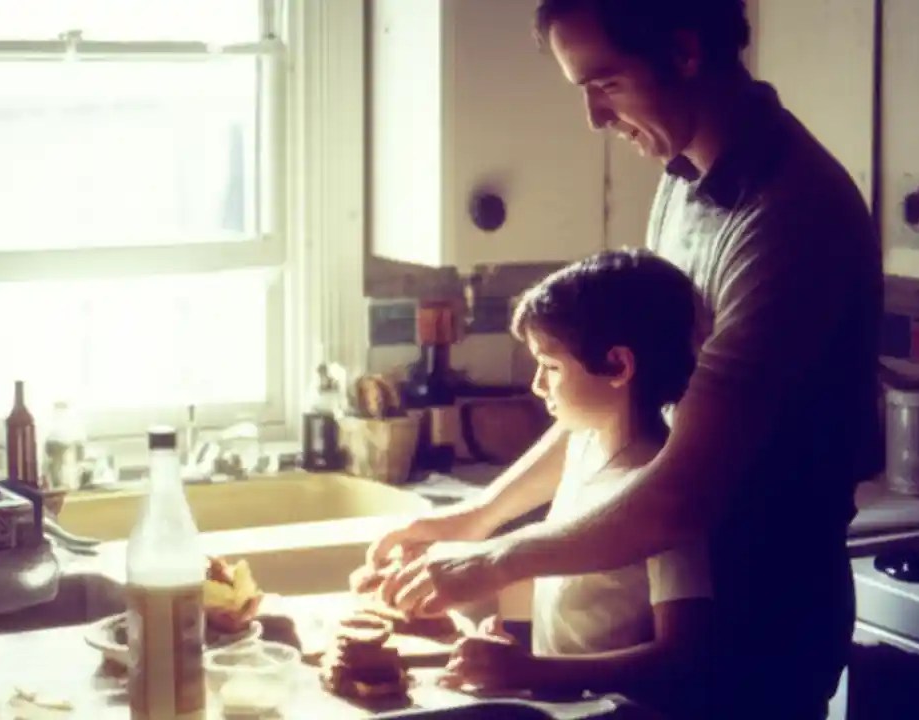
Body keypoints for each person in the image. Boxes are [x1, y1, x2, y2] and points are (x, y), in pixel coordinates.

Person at [355, 1, 884, 717]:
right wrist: (474, 517)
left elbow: (680, 497)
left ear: (686, 52)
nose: (594, 118)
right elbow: (610, 406)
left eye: (604, 84)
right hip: (667, 633)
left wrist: (495, 556)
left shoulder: (791, 216)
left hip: (754, 641)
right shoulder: (682, 183)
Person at [431, 249, 710, 712]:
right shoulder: (584, 445)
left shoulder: (660, 491)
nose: (538, 384)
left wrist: (531, 670)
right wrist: (513, 651)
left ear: (619, 367)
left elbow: (682, 658)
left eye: (552, 366)